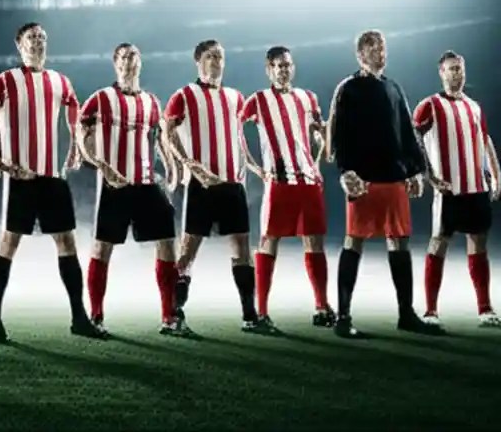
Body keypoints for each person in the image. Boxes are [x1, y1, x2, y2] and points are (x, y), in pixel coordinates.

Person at [0, 22, 99, 343]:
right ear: (19, 44)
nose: (38, 42)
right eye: (31, 37)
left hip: (53, 178)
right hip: (20, 177)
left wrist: (75, 148)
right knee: (9, 243)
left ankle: (79, 317)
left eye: (42, 37)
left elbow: (76, 116)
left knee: (67, 243)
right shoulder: (5, 81)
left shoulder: (60, 81)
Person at [327, 29, 435, 338]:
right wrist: (346, 170)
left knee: (399, 240)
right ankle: (343, 318)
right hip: (363, 180)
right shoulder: (348, 89)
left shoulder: (394, 88)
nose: (381, 53)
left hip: (394, 178)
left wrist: (416, 171)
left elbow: (406, 130)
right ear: (360, 55)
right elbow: (341, 132)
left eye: (383, 48)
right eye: (374, 49)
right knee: (354, 241)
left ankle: (406, 314)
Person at [79, 43, 182, 336]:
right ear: (115, 63)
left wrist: (172, 170)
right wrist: (100, 164)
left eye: (134, 56)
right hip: (114, 185)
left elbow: (161, 139)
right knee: (102, 248)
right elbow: (81, 134)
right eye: (123, 57)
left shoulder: (150, 101)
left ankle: (168, 317)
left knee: (166, 242)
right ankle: (96, 316)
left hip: (147, 183)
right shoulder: (101, 98)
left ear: (141, 63)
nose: (129, 61)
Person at [162, 40, 257, 332]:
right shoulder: (184, 95)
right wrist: (189, 165)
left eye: (220, 56)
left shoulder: (235, 97)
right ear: (198, 62)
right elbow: (166, 133)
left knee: (242, 248)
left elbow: (245, 133)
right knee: (188, 250)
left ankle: (249, 314)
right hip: (201, 186)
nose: (216, 61)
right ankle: (174, 313)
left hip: (232, 184)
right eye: (210, 56)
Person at [239, 46, 335, 330]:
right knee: (269, 240)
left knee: (314, 240)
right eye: (278, 66)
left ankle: (321, 306)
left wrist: (321, 150)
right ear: (269, 69)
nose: (284, 70)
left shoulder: (307, 98)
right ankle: (262, 311)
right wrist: (254, 166)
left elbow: (320, 132)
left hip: (307, 180)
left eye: (288, 65)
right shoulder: (258, 100)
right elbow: (236, 130)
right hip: (278, 182)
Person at [413, 51, 501, 328]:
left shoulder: (474, 107)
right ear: (441, 73)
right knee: (438, 243)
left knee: (478, 243)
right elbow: (413, 140)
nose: (457, 74)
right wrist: (430, 177)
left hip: (476, 187)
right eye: (452, 69)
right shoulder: (430, 105)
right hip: (448, 190)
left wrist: (497, 175)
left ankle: (485, 310)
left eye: (460, 69)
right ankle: (430, 312)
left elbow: (485, 140)